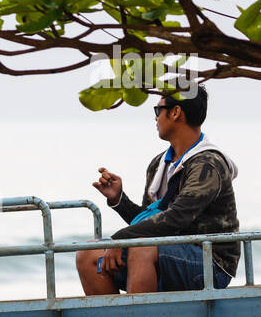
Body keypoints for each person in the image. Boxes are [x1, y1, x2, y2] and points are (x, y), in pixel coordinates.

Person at [76, 87, 239, 295]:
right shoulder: (159, 164)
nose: (155, 119)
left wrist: (120, 239)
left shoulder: (208, 164)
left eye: (157, 110)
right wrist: (119, 200)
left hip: (209, 262)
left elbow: (176, 218)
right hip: (163, 250)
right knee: (88, 254)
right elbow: (149, 224)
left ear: (175, 112)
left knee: (141, 248)